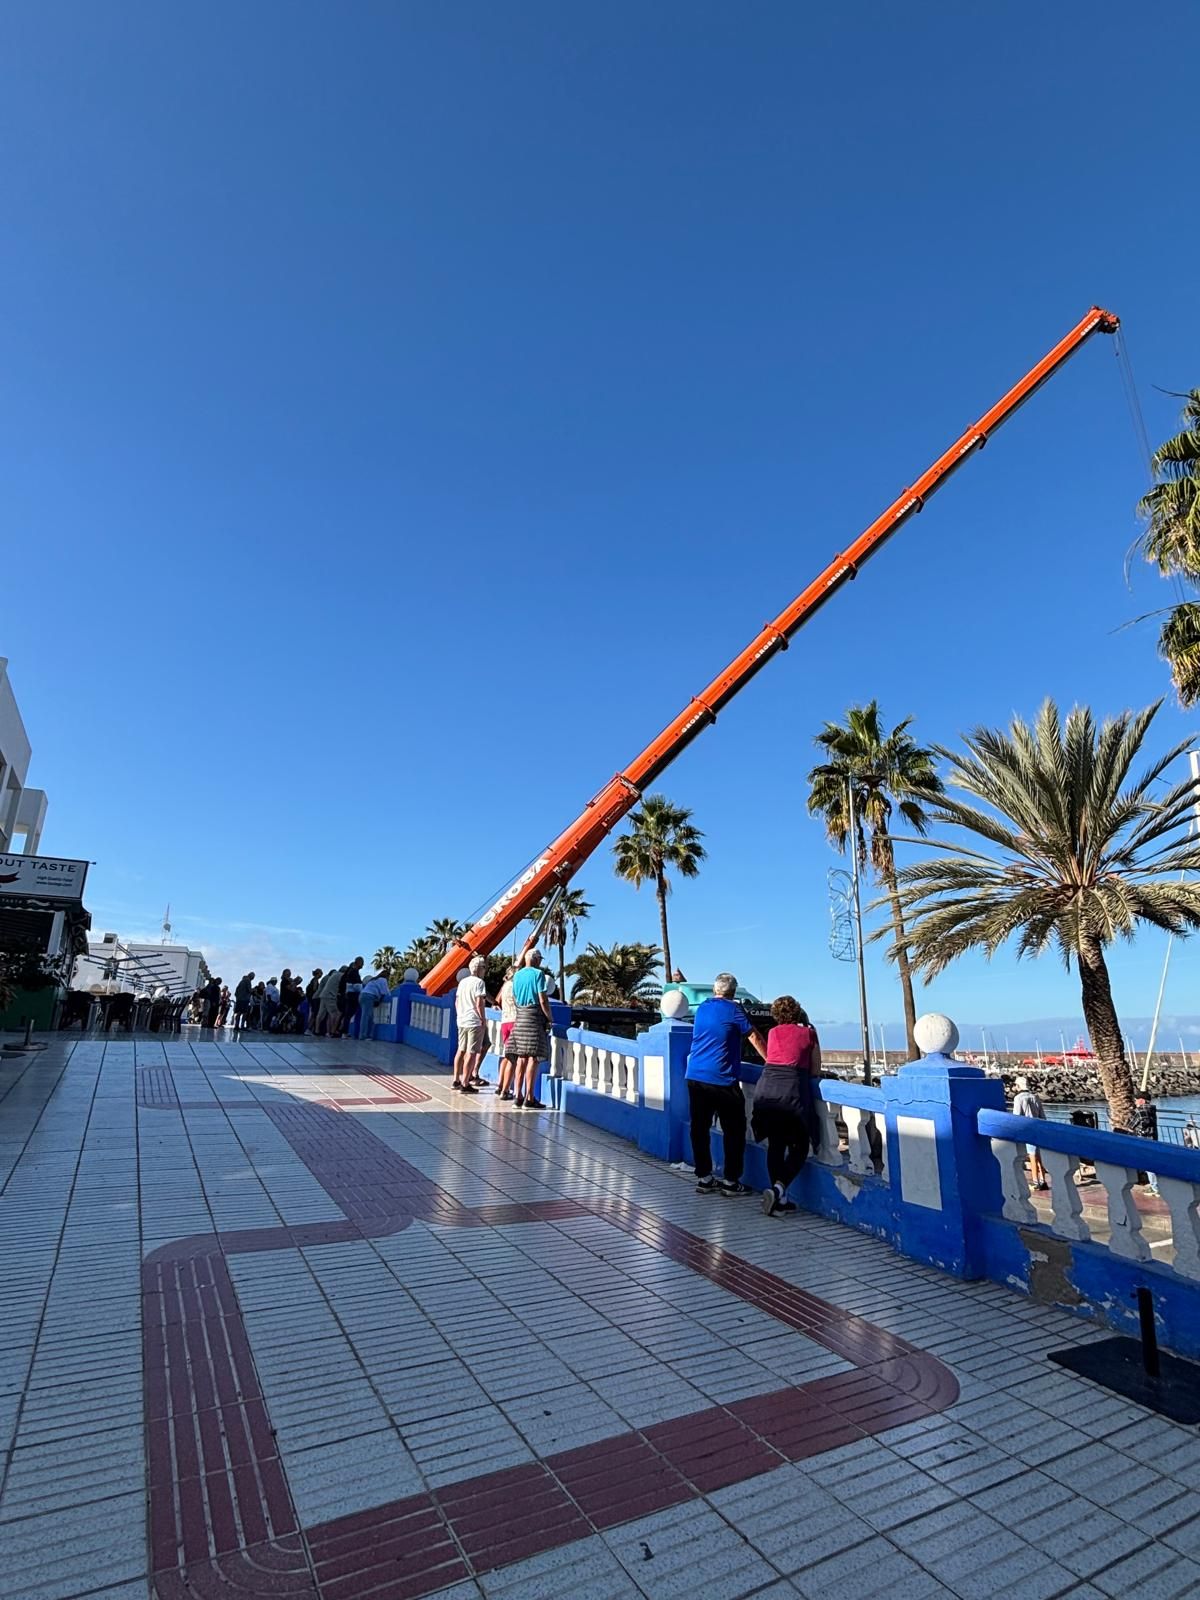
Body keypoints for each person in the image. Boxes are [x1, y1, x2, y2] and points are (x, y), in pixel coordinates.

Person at [685, 972, 767, 1195]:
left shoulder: (702, 1008)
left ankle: (704, 1177)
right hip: (722, 1079)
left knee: (699, 1129)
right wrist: (771, 1061)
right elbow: (754, 1036)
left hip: (695, 1077)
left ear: (715, 990)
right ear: (732, 993)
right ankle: (731, 1181)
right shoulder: (733, 1010)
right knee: (734, 1129)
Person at [753, 997, 820, 1216]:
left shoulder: (773, 1033)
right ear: (798, 1012)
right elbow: (815, 1070)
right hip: (791, 1091)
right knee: (800, 1146)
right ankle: (779, 1188)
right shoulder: (809, 1033)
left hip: (767, 1089)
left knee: (776, 1145)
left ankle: (779, 1202)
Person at [509, 949, 552, 1110]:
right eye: (540, 959)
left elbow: (514, 997)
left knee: (521, 1058)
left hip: (520, 1018)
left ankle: (517, 1097)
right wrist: (550, 1017)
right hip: (534, 1020)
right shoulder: (538, 974)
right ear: (536, 960)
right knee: (533, 1059)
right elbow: (543, 999)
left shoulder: (517, 975)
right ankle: (529, 1097)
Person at [452, 957, 490, 1092]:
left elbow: (456, 1002)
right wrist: (482, 1019)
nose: (485, 970)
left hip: (462, 1020)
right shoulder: (479, 983)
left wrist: (460, 1015)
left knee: (460, 1050)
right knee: (472, 1052)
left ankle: (456, 1080)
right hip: (473, 1021)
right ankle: (465, 1083)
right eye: (484, 967)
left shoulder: (462, 982)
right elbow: (479, 1003)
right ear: (479, 969)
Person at [1012, 1076, 1049, 1191]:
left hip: (1027, 1130)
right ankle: (1043, 1180)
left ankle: (1035, 1181)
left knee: (1032, 1156)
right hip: (1038, 1128)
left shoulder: (1019, 1098)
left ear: (1018, 1086)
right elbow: (1042, 1116)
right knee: (1039, 1156)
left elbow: (1016, 1117)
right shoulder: (1035, 1097)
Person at [496, 965, 519, 1101]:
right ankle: (505, 1090)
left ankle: (500, 1085)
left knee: (507, 1055)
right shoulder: (514, 986)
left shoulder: (504, 987)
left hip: (505, 1022)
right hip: (514, 1021)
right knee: (513, 1058)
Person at [1132, 1095, 1161, 1194]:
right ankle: (1156, 1185)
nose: (1135, 1102)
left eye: (1136, 1100)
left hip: (1143, 1141)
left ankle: (1155, 1187)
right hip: (1153, 1139)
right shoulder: (1152, 1110)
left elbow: (1130, 1125)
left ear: (1142, 1100)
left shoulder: (1139, 1112)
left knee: (1148, 1165)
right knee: (1153, 1162)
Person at [356, 970, 392, 1041]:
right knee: (366, 1017)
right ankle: (363, 1035)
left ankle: (368, 1035)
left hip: (362, 995)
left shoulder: (374, 980)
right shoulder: (383, 980)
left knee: (368, 1016)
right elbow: (386, 992)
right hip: (369, 997)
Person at [337, 957, 365, 1039]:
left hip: (349, 995)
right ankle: (344, 1032)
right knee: (348, 1014)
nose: (363, 965)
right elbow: (356, 985)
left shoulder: (350, 972)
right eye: (362, 962)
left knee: (348, 1014)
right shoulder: (354, 972)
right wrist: (361, 989)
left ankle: (343, 1031)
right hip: (353, 995)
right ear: (358, 963)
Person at [316, 965, 344, 1036]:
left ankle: (317, 1030)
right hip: (330, 996)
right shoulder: (341, 975)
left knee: (320, 1014)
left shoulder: (333, 975)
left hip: (323, 995)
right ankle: (332, 1031)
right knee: (334, 1013)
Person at [304, 969, 324, 1034]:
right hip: (314, 999)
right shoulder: (315, 980)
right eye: (321, 973)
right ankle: (309, 1029)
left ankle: (309, 1029)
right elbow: (315, 989)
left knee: (313, 1014)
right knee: (314, 1014)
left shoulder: (313, 980)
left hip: (311, 999)